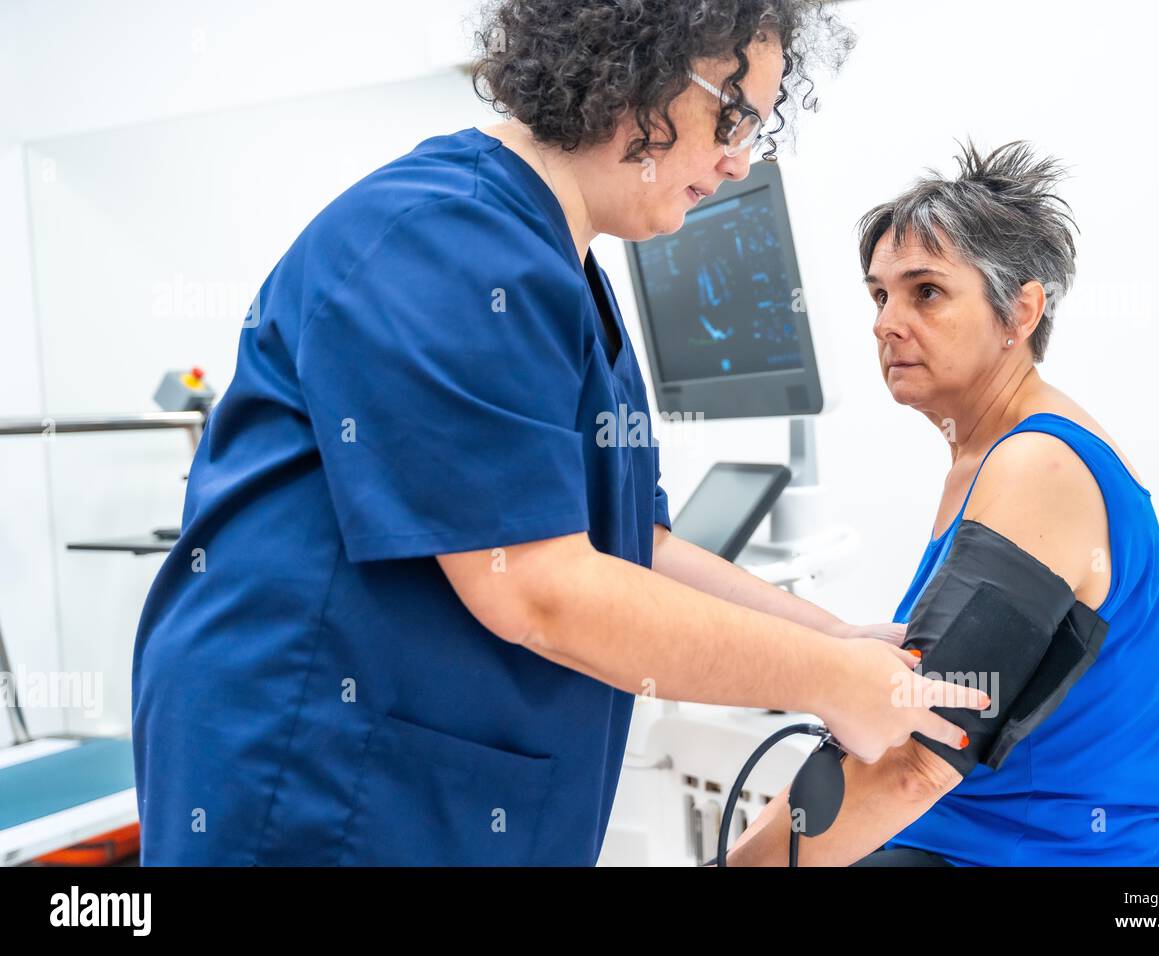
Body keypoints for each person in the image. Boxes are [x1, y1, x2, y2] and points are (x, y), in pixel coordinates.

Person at [130, 0, 987, 866]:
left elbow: (633, 545)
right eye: (732, 115)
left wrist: (829, 640)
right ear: (635, 69)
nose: (739, 162)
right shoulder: (448, 239)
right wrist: (830, 683)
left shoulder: (565, 272)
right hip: (316, 778)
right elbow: (538, 588)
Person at [727, 142, 1159, 866]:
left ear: (1022, 310)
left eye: (926, 292)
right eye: (879, 295)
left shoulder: (1038, 465)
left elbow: (921, 760)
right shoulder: (981, 460)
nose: (886, 322)